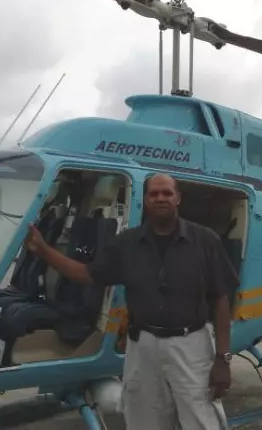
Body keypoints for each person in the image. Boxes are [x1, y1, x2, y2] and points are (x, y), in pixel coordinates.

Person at [25, 173, 240, 430]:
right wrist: (44, 250)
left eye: (167, 193)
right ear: (146, 201)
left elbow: (221, 300)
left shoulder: (205, 241)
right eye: (154, 194)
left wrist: (222, 359)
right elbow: (87, 274)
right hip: (143, 347)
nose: (161, 198)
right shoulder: (126, 244)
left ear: (178, 198)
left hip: (191, 344)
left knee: (202, 420)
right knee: (143, 420)